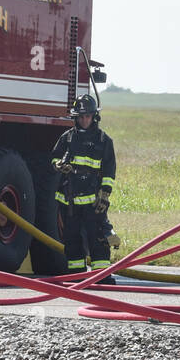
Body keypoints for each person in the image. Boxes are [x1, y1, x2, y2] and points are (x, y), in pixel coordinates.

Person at [51, 93, 119, 277]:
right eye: (80, 117)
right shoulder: (67, 138)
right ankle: (77, 276)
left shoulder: (104, 141)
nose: (84, 120)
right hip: (69, 200)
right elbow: (54, 157)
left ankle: (101, 276)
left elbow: (109, 172)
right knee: (72, 240)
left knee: (97, 238)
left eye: (87, 116)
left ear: (94, 116)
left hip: (93, 200)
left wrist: (104, 195)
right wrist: (58, 165)